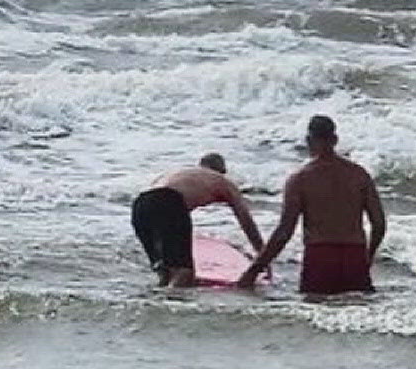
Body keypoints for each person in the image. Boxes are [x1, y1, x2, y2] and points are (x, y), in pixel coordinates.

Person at [238, 115, 385, 294]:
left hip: (319, 257)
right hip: (354, 255)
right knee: (358, 314)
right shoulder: (360, 175)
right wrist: (367, 257)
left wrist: (254, 270)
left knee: (316, 313)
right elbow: (379, 223)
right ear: (335, 140)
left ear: (308, 140)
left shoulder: (300, 179)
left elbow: (284, 232)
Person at [129, 153, 266, 287]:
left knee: (165, 269)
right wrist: (263, 257)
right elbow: (246, 221)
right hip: (169, 201)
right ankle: (168, 304)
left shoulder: (180, 173)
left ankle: (159, 295)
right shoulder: (221, 180)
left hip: (140, 204)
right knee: (184, 272)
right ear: (223, 171)